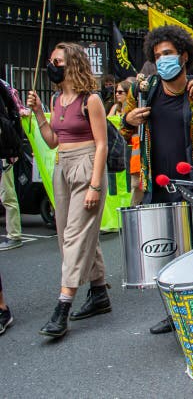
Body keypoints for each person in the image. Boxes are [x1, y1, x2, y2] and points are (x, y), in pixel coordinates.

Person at [120, 25, 193, 334]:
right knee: (167, 255)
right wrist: (127, 120)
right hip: (158, 187)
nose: (163, 60)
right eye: (157, 56)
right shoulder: (143, 90)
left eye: (168, 54)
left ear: (183, 56)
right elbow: (124, 128)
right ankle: (177, 313)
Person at [27, 43, 110, 338]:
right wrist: (38, 113)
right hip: (63, 166)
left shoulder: (92, 100)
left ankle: (63, 305)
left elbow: (102, 144)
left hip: (87, 165)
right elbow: (51, 141)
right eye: (51, 60)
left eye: (58, 61)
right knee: (69, 235)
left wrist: (95, 185)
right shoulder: (56, 100)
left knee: (75, 236)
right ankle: (99, 292)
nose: (52, 65)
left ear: (72, 64)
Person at [0, 77, 26, 251]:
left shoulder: (3, 88)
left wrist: (12, 151)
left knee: (7, 194)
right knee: (6, 193)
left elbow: (10, 119)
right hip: (5, 149)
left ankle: (14, 234)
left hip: (3, 151)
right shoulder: (4, 86)